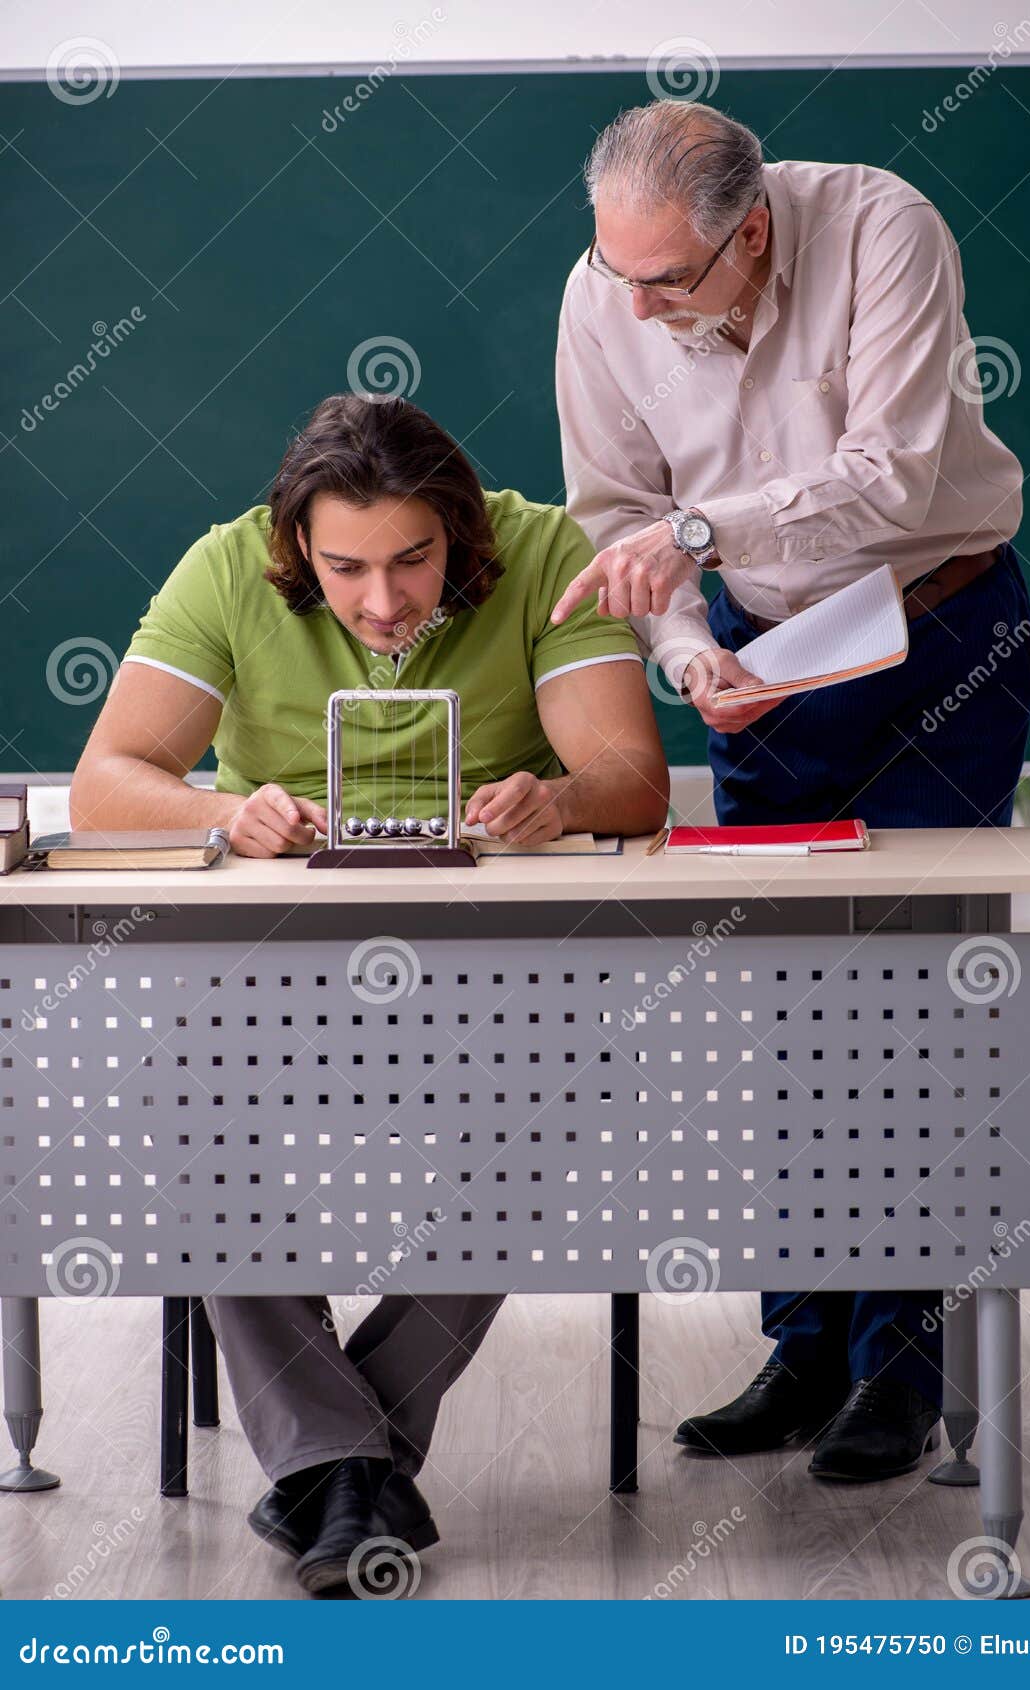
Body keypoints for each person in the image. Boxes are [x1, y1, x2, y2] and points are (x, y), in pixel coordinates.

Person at [70, 392, 669, 1593]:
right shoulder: (229, 567)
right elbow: (106, 783)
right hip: (271, 959)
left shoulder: (547, 548)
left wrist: (559, 799)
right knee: (182, 1102)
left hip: (490, 967)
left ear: (460, 528)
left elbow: (634, 778)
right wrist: (223, 815)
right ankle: (361, 1465)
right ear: (295, 548)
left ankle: (333, 1462)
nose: (383, 602)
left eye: (413, 560)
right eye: (345, 569)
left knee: (550, 1099)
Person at [554, 100, 1030, 1482]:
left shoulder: (884, 226)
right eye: (617, 273)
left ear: (750, 232)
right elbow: (610, 511)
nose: (636, 307)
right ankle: (806, 1345)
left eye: (666, 281)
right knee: (787, 1017)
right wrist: (693, 647)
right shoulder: (606, 288)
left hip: (934, 623)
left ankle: (904, 1367)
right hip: (764, 661)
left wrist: (698, 530)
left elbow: (894, 479)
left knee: (923, 1006)